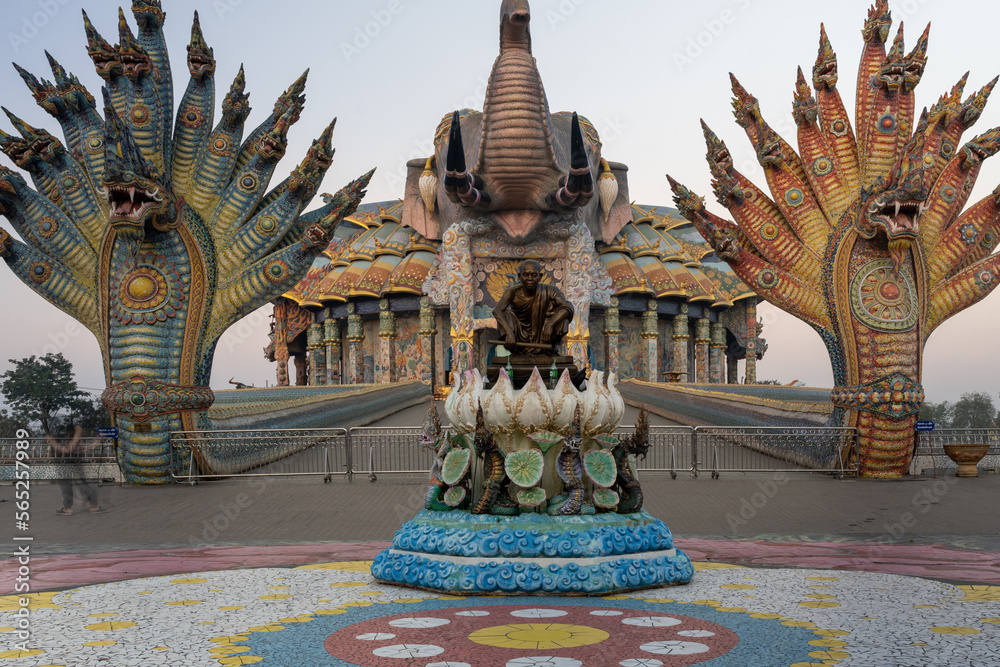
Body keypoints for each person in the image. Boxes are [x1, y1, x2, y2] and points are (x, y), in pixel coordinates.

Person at [493, 260, 574, 352]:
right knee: (506, 314)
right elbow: (497, 311)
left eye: (534, 275)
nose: (530, 278)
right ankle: (517, 349)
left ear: (540, 277)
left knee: (562, 318)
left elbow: (567, 306)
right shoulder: (511, 292)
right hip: (519, 335)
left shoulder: (551, 290)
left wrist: (550, 324)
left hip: (544, 334)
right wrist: (509, 332)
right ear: (519, 276)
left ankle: (550, 349)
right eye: (526, 275)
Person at [46, 425, 107, 515]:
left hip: (67, 465)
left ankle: (69, 508)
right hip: (72, 464)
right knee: (83, 484)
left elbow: (69, 449)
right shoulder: (72, 444)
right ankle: (92, 505)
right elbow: (84, 448)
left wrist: (52, 442)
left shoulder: (71, 444)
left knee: (70, 485)